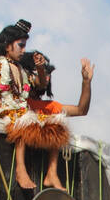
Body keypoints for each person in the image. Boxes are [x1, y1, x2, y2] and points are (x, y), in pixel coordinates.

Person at [0, 19, 55, 191]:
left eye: (24, 45)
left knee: (55, 123)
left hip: (19, 109)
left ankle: (52, 173)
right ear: (8, 46)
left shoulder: (22, 70)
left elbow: (41, 85)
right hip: (4, 110)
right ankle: (20, 170)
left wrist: (41, 68)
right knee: (23, 118)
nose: (23, 50)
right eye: (20, 45)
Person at [21, 50, 94, 190]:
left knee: (58, 120)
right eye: (42, 72)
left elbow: (81, 110)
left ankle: (52, 173)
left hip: (38, 180)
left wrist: (86, 82)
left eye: (48, 74)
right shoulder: (17, 102)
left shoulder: (50, 106)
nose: (47, 78)